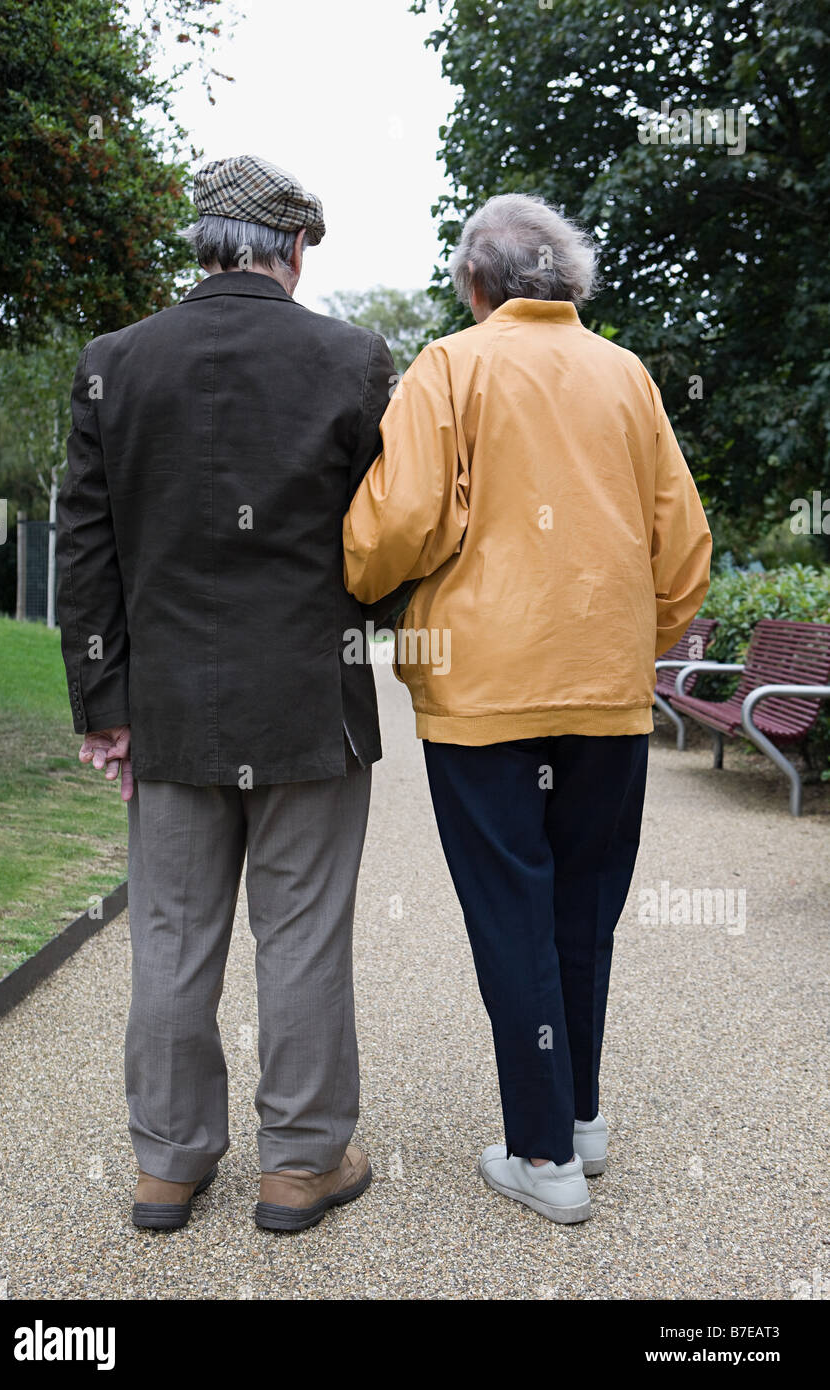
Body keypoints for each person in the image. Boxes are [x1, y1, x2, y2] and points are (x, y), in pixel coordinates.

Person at [343, 192, 712, 1224]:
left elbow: (395, 527)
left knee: (513, 915)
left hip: (484, 691)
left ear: (475, 284)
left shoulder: (447, 368)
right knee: (582, 910)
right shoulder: (627, 376)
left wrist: (364, 574)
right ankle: (579, 1114)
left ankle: (544, 1153)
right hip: (603, 692)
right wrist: (618, 644)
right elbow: (681, 551)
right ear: (569, 284)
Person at [56, 153, 398, 1233]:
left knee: (168, 934)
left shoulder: (116, 361)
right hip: (309, 700)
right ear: (291, 249)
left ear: (202, 245)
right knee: (299, 935)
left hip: (167, 706)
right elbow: (383, 534)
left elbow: (84, 546)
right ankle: (297, 1166)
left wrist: (103, 700)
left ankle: (167, 1164)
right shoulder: (349, 358)